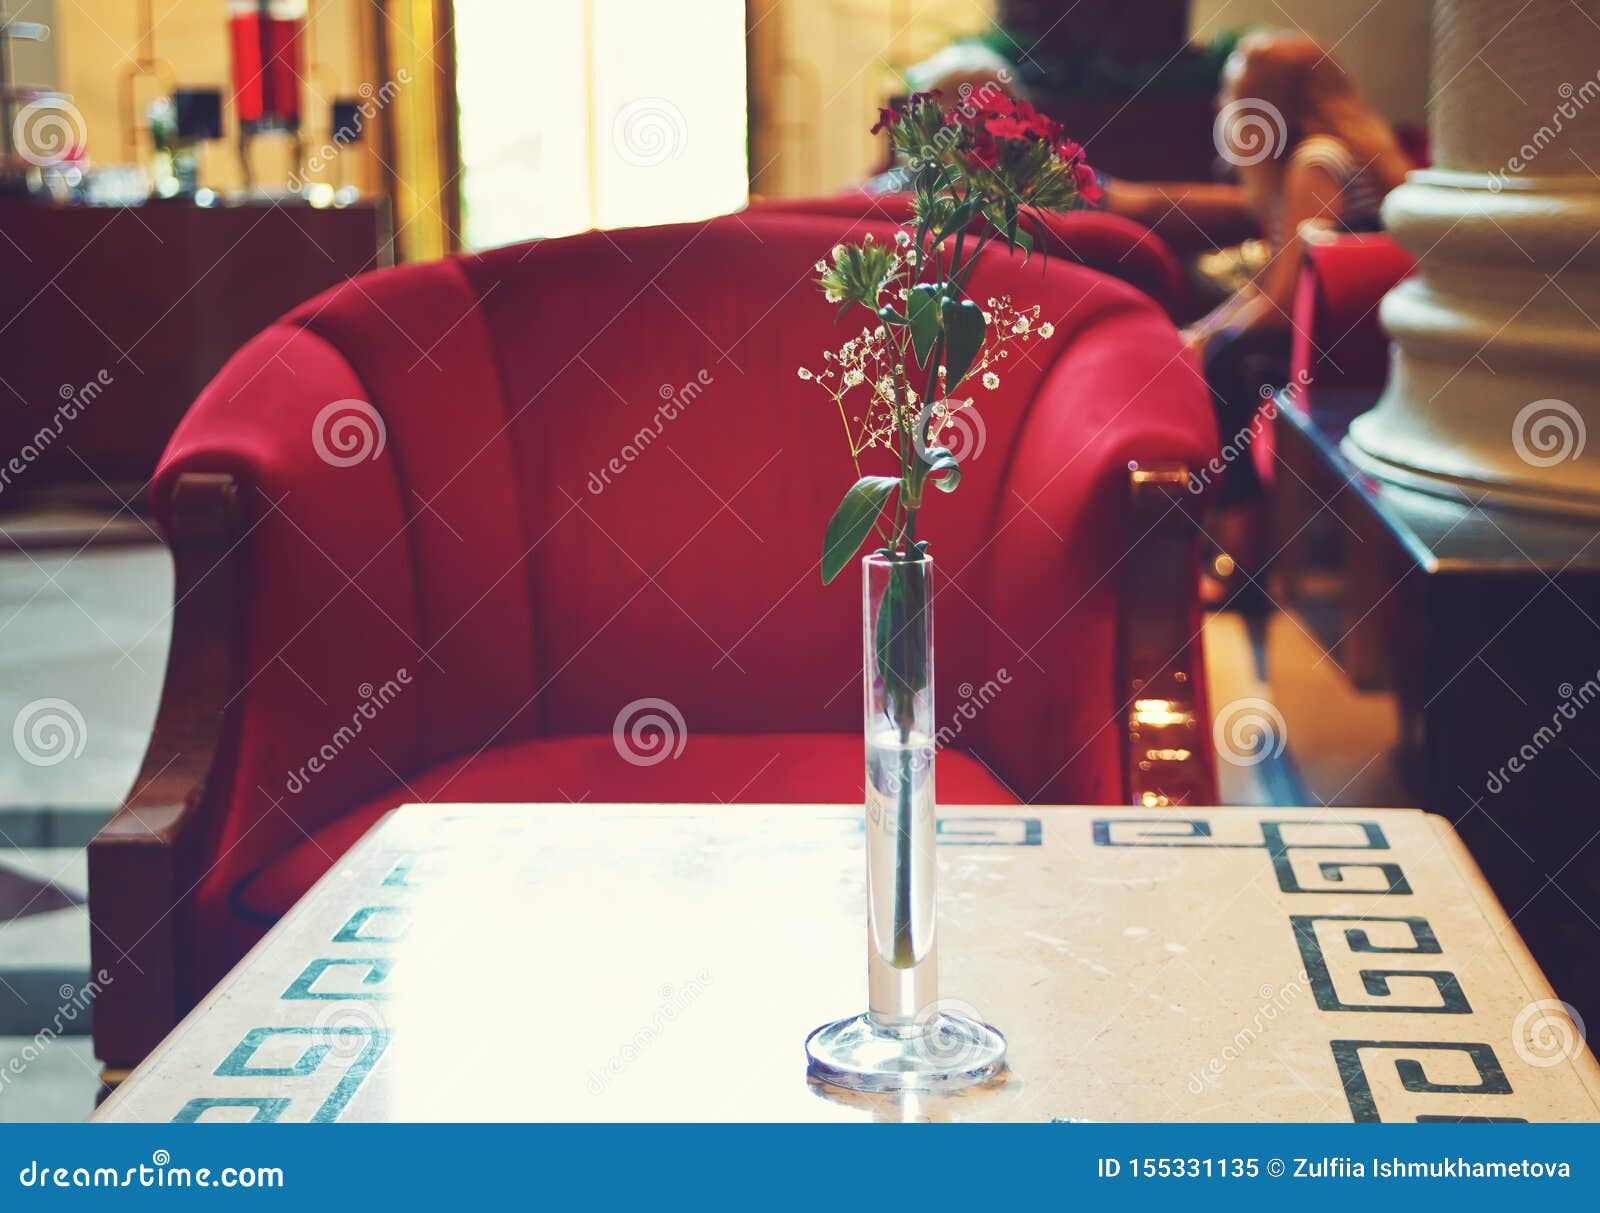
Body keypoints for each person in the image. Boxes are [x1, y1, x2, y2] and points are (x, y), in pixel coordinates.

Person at [1106, 32, 1412, 600]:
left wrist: (1202, 341)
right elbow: (1272, 288)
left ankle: (1238, 554)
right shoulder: (1310, 157)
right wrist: (1197, 334)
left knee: (1233, 363)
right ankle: (1224, 542)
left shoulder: (1314, 163)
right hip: (1351, 339)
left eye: (1232, 89)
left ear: (1267, 101)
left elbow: (1285, 304)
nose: (1221, 104)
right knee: (1217, 348)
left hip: (1348, 350)